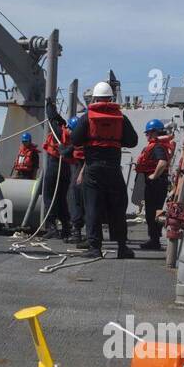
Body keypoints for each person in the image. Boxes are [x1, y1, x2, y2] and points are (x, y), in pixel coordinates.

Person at [70, 81, 139, 259]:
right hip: (113, 168)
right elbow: (132, 141)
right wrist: (115, 141)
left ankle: (95, 248)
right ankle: (122, 247)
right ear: (111, 98)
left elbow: (75, 139)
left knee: (92, 207)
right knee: (118, 207)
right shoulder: (121, 117)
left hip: (93, 168)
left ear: (94, 98)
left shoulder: (88, 117)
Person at [134, 119, 173, 251]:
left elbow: (162, 162)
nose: (147, 136)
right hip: (157, 183)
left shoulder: (157, 147)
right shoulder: (160, 145)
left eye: (148, 133)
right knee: (154, 212)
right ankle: (154, 239)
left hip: (156, 183)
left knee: (152, 213)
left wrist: (153, 176)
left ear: (155, 132)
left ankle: (154, 240)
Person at [39, 114, 73, 240]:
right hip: (66, 168)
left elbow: (52, 120)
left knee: (49, 197)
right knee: (62, 199)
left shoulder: (58, 132)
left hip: (54, 165)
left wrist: (50, 107)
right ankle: (66, 227)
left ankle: (51, 227)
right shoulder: (75, 138)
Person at [65, 115, 87, 245]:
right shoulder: (83, 141)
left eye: (69, 127)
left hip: (79, 170)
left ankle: (76, 233)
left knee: (75, 201)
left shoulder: (78, 144)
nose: (66, 130)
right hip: (80, 169)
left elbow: (85, 158)